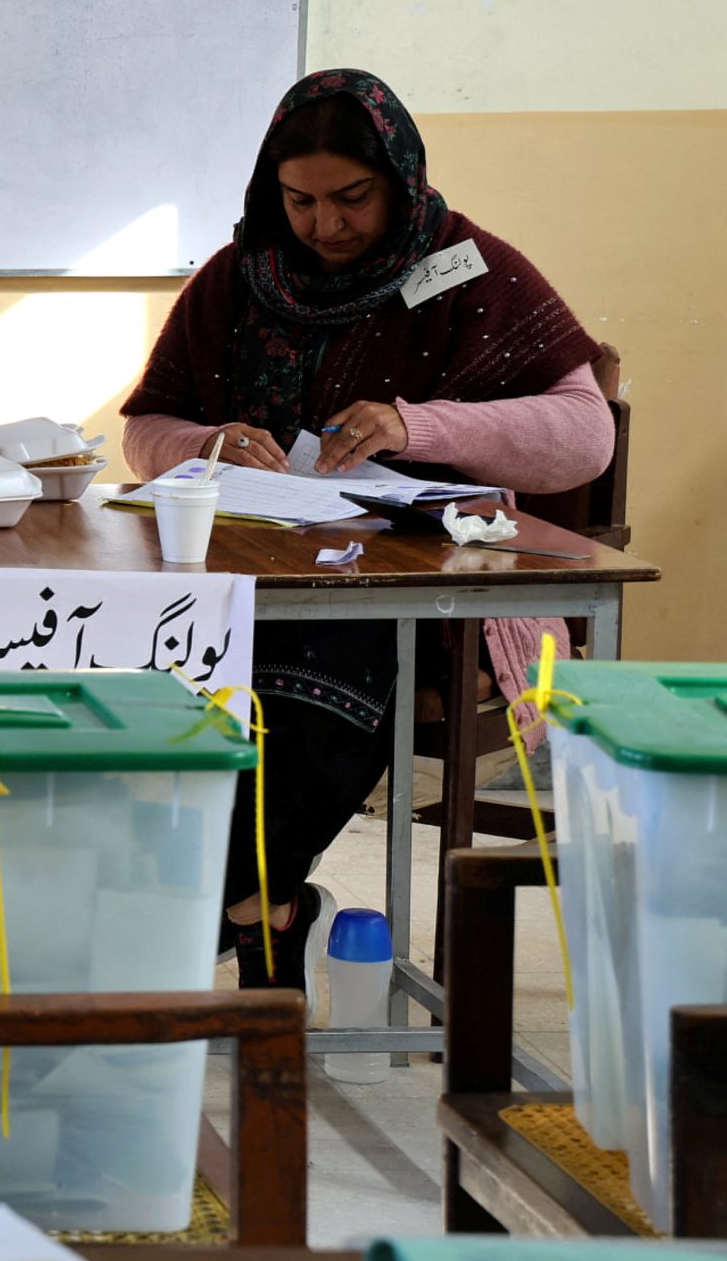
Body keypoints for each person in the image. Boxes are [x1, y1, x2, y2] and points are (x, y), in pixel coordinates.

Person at [122, 68, 610, 994]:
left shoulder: (468, 269)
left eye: (352, 198)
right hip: (249, 575)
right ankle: (256, 909)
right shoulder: (239, 276)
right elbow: (148, 428)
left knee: (325, 653)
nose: (326, 225)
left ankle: (194, 915)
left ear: (401, 176)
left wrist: (417, 424)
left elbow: (586, 436)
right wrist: (209, 441)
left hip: (426, 597)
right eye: (299, 200)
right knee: (190, 661)